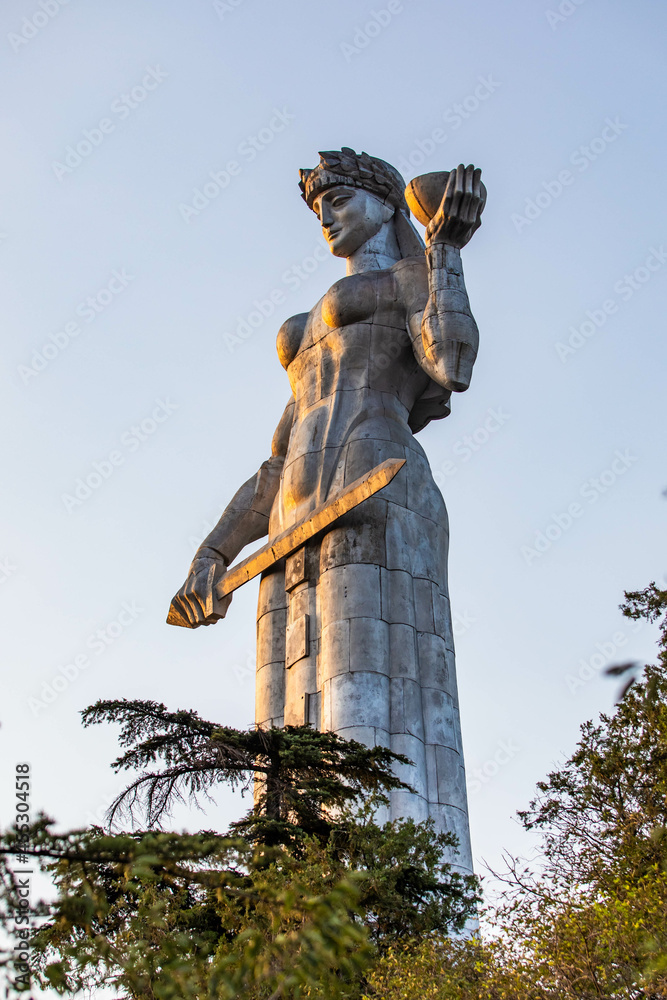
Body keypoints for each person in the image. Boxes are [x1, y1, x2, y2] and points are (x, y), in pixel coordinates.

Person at [170, 148, 485, 873]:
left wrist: (444, 251)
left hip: (372, 481)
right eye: (317, 206)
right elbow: (275, 460)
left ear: (384, 203)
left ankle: (400, 908)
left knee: (368, 693)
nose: (325, 215)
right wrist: (213, 551)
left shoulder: (413, 277)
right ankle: (295, 918)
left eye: (338, 199)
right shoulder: (302, 329)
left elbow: (452, 364)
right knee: (284, 711)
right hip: (292, 514)